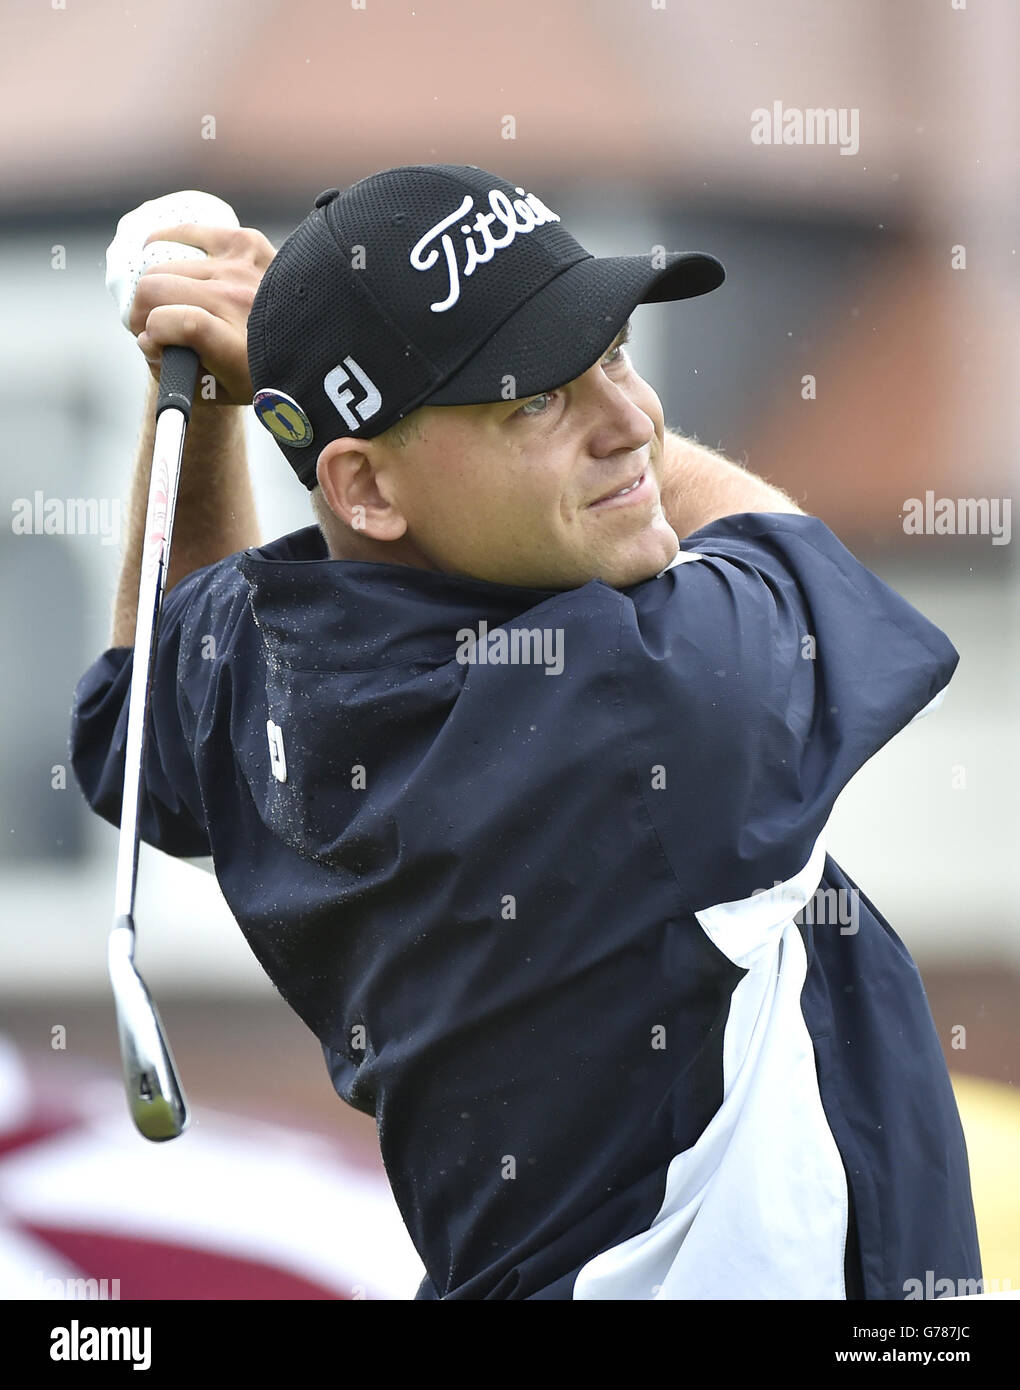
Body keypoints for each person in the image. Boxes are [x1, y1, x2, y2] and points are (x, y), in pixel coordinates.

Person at [69, 163, 982, 1301]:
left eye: (612, 353)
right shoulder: (665, 700)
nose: (633, 420)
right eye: (536, 399)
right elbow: (778, 542)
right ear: (365, 490)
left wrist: (212, 396)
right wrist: (280, 374)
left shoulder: (281, 668)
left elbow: (148, 709)